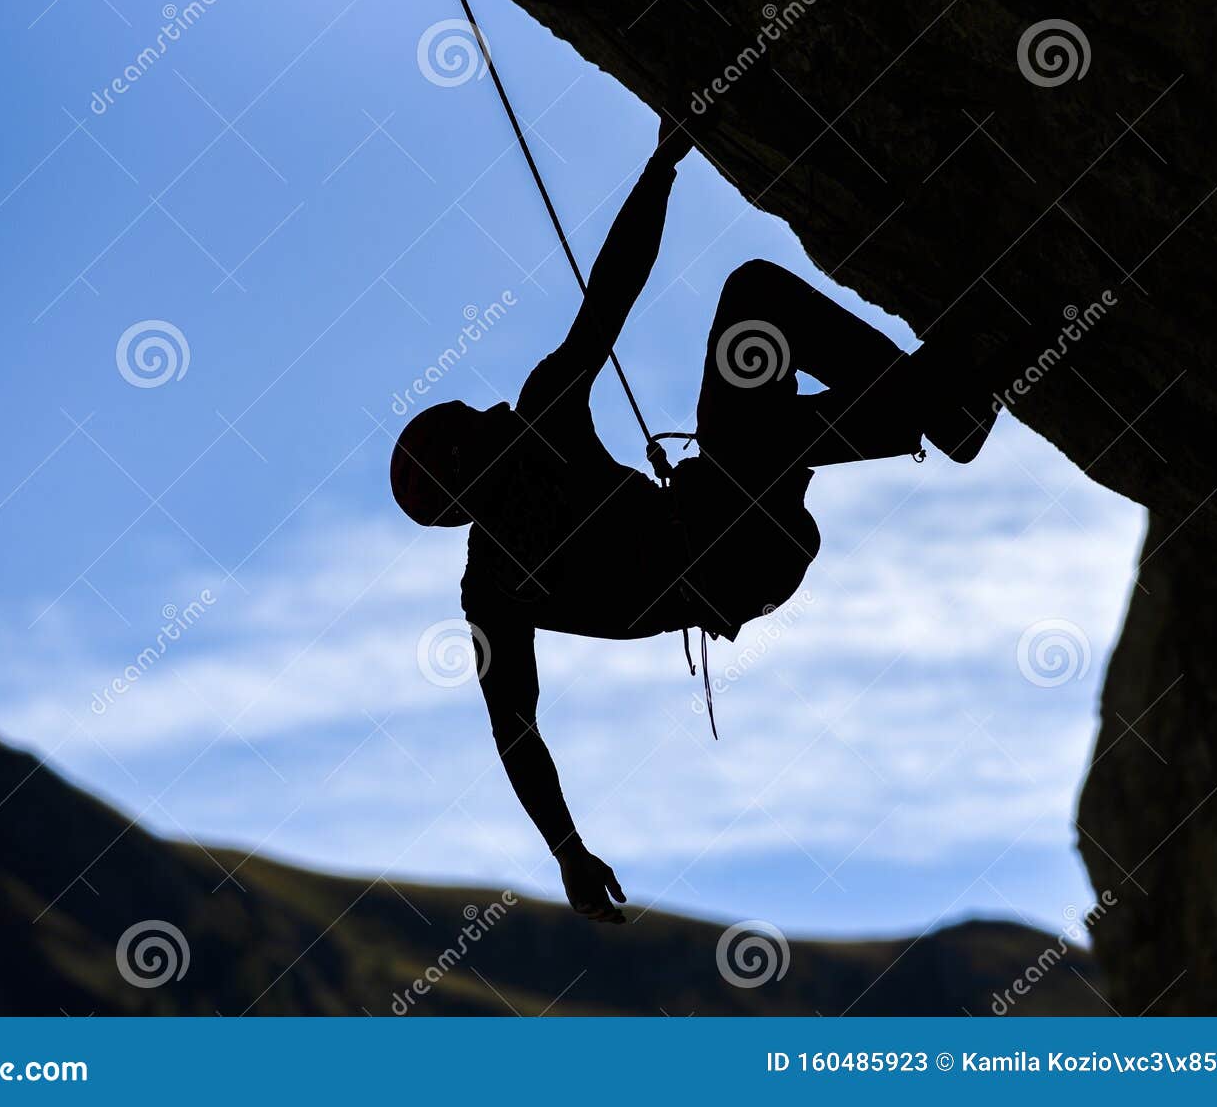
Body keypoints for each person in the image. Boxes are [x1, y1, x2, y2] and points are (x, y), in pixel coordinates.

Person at [390, 117, 998, 923]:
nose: (492, 408)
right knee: (755, 305)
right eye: (475, 419)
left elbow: (516, 730)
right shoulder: (538, 428)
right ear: (468, 456)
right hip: (732, 528)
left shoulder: (492, 589)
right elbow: (612, 292)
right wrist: (661, 166)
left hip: (749, 566)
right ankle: (936, 403)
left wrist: (568, 850)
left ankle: (930, 407)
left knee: (765, 430)